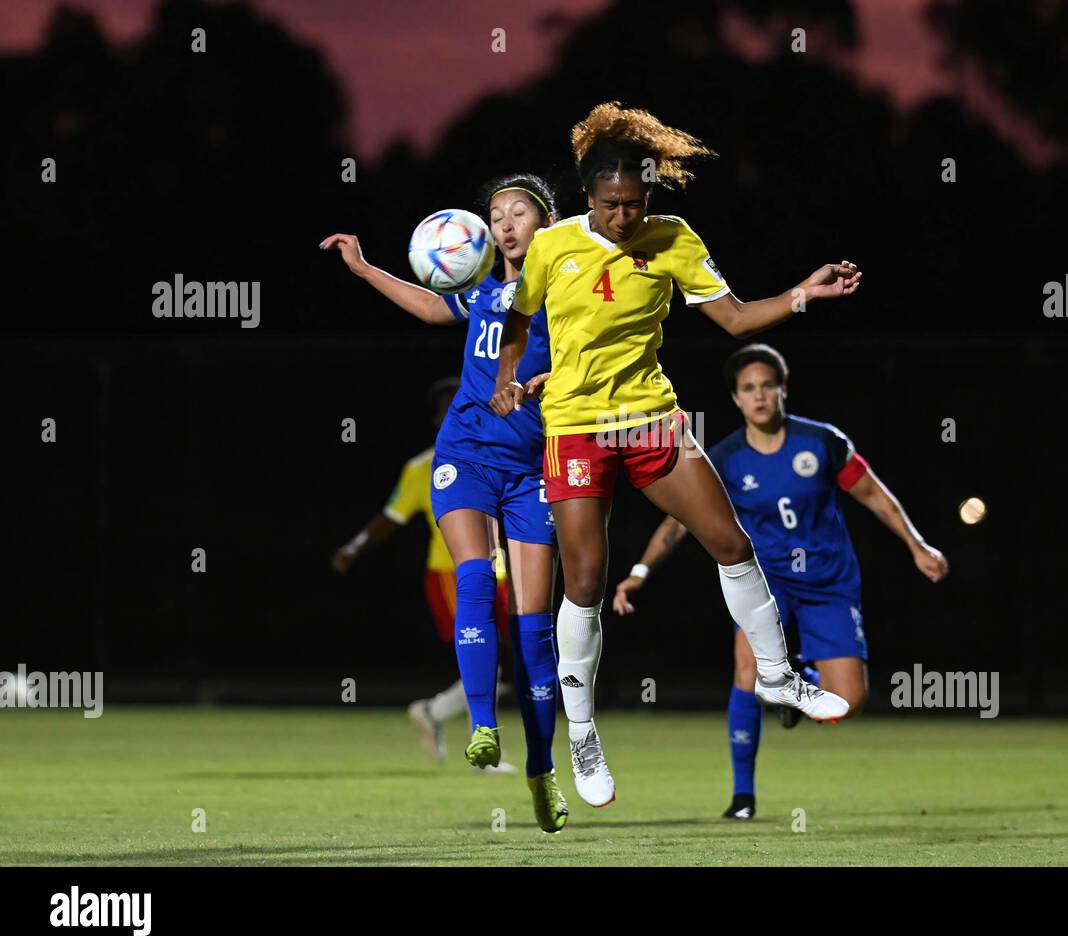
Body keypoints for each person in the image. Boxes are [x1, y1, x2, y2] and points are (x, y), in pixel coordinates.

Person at [491, 102, 860, 808]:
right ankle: (583, 730)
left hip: (650, 421)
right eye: (610, 205)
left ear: (649, 199)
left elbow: (734, 317)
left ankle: (779, 675)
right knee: (587, 585)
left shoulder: (673, 238)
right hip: (575, 427)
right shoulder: (552, 246)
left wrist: (804, 295)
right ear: (588, 197)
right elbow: (518, 316)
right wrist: (510, 376)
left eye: (634, 204)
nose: (624, 217)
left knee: (730, 541)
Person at [321, 173, 568, 832]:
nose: (507, 222)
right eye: (497, 213)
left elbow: (594, 366)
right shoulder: (482, 287)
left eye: (520, 211)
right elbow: (433, 308)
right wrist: (365, 267)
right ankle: (483, 728)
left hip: (531, 470)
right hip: (466, 456)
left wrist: (546, 381)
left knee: (537, 629)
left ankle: (543, 765)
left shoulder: (567, 294)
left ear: (548, 223)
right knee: (474, 578)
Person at [613, 344, 950, 819]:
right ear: (735, 398)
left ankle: (796, 687)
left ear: (783, 389)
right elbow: (679, 522)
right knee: (747, 674)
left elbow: (873, 494)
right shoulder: (724, 459)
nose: (759, 396)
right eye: (748, 388)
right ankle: (743, 798)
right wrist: (639, 573)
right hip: (766, 581)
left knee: (847, 701)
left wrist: (918, 545)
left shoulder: (823, 442)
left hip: (828, 581)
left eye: (767, 385)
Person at [330, 377, 515, 774]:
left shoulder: (497, 453)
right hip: (452, 573)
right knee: (488, 654)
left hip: (499, 572)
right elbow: (390, 517)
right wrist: (354, 547)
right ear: (436, 420)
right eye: (448, 409)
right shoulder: (423, 466)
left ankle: (438, 715)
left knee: (510, 662)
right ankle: (478, 746)